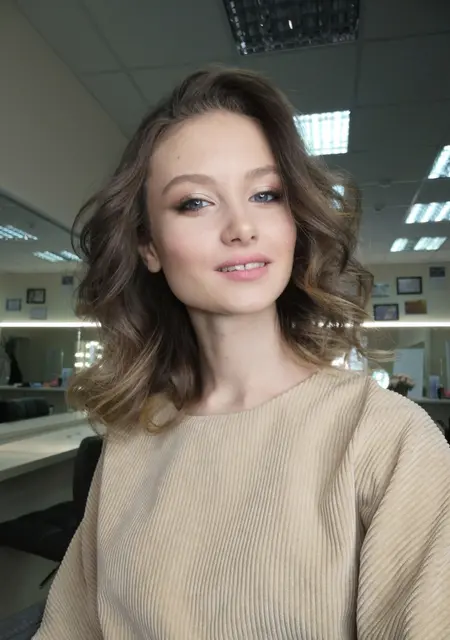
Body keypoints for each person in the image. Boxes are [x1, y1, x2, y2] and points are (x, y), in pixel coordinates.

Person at [34, 68, 450, 639]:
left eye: (265, 194)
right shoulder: (132, 441)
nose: (241, 227)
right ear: (149, 245)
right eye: (195, 202)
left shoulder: (387, 438)